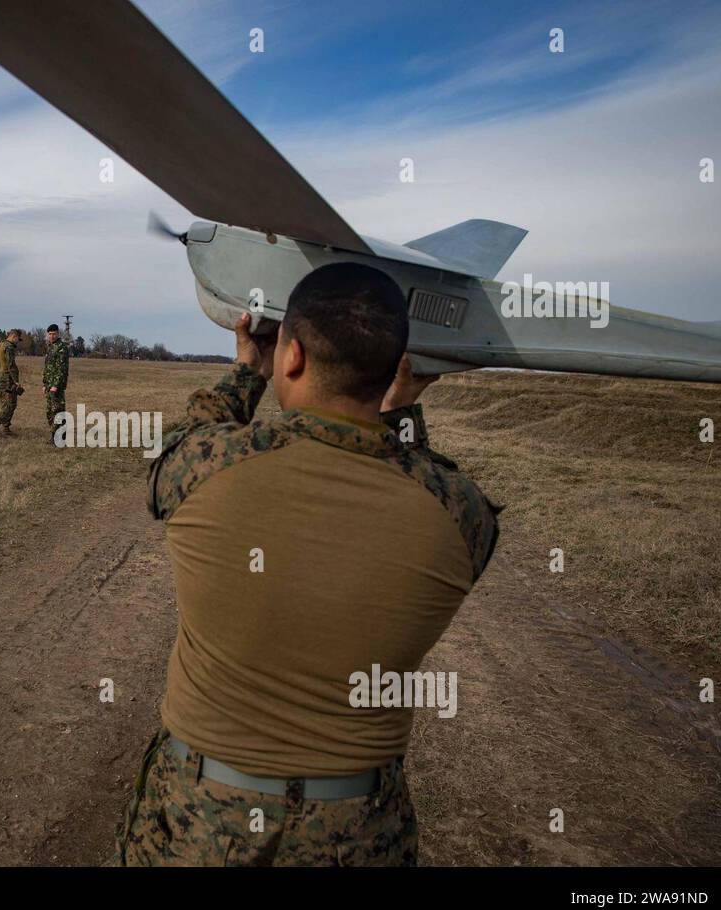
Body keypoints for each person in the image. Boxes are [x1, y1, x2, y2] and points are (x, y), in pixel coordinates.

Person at [117, 262, 500, 867]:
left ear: (291, 355)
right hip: (360, 832)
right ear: (394, 366)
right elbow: (422, 484)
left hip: (198, 820)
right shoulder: (460, 513)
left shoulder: (206, 466)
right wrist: (399, 410)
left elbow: (180, 445)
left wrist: (247, 367)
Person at [0, 329, 22, 437]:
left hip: (0, 376)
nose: (18, 342)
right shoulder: (9, 347)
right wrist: (16, 381)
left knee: (5, 402)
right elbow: (11, 365)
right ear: (14, 336)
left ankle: (6, 428)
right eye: (18, 339)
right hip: (8, 378)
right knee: (10, 404)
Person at [42, 323, 70, 443]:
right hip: (49, 385)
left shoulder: (61, 347)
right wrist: (44, 384)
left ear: (58, 333)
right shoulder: (50, 347)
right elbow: (47, 367)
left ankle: (58, 437)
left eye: (54, 334)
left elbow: (61, 369)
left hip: (56, 386)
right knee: (49, 412)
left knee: (57, 411)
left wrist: (55, 385)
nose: (52, 336)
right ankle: (57, 435)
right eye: (50, 334)